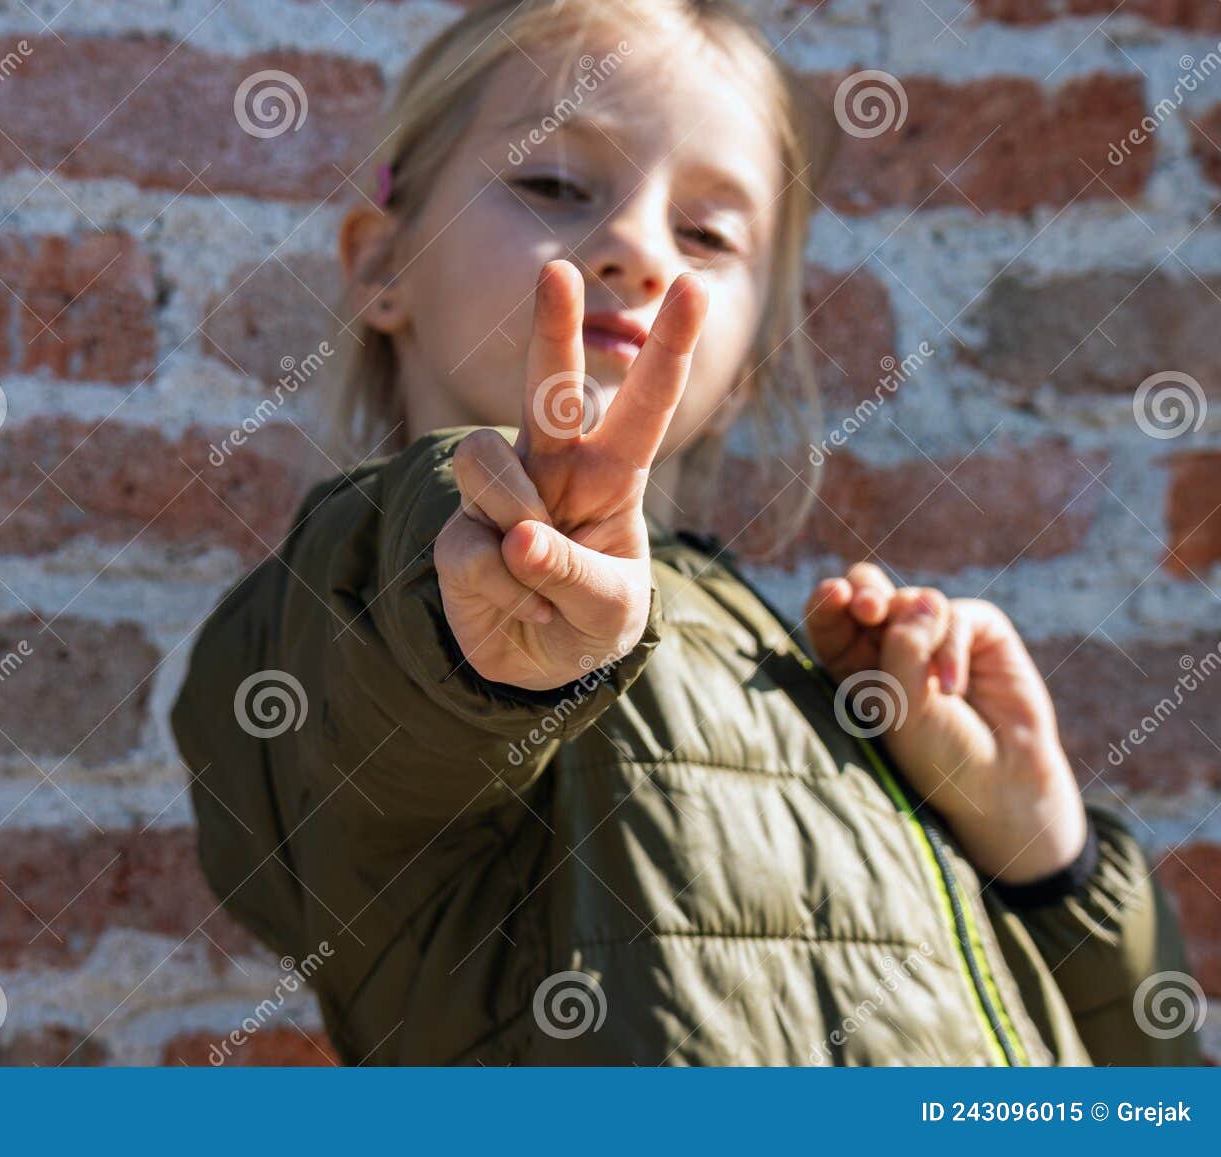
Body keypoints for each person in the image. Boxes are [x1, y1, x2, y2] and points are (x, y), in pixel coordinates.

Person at [172, 0, 1202, 1065]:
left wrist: (1046, 865)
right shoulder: (341, 601)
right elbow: (370, 670)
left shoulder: (814, 676)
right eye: (554, 185)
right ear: (382, 266)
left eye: (708, 233)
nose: (632, 246)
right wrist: (484, 621)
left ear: (746, 359)